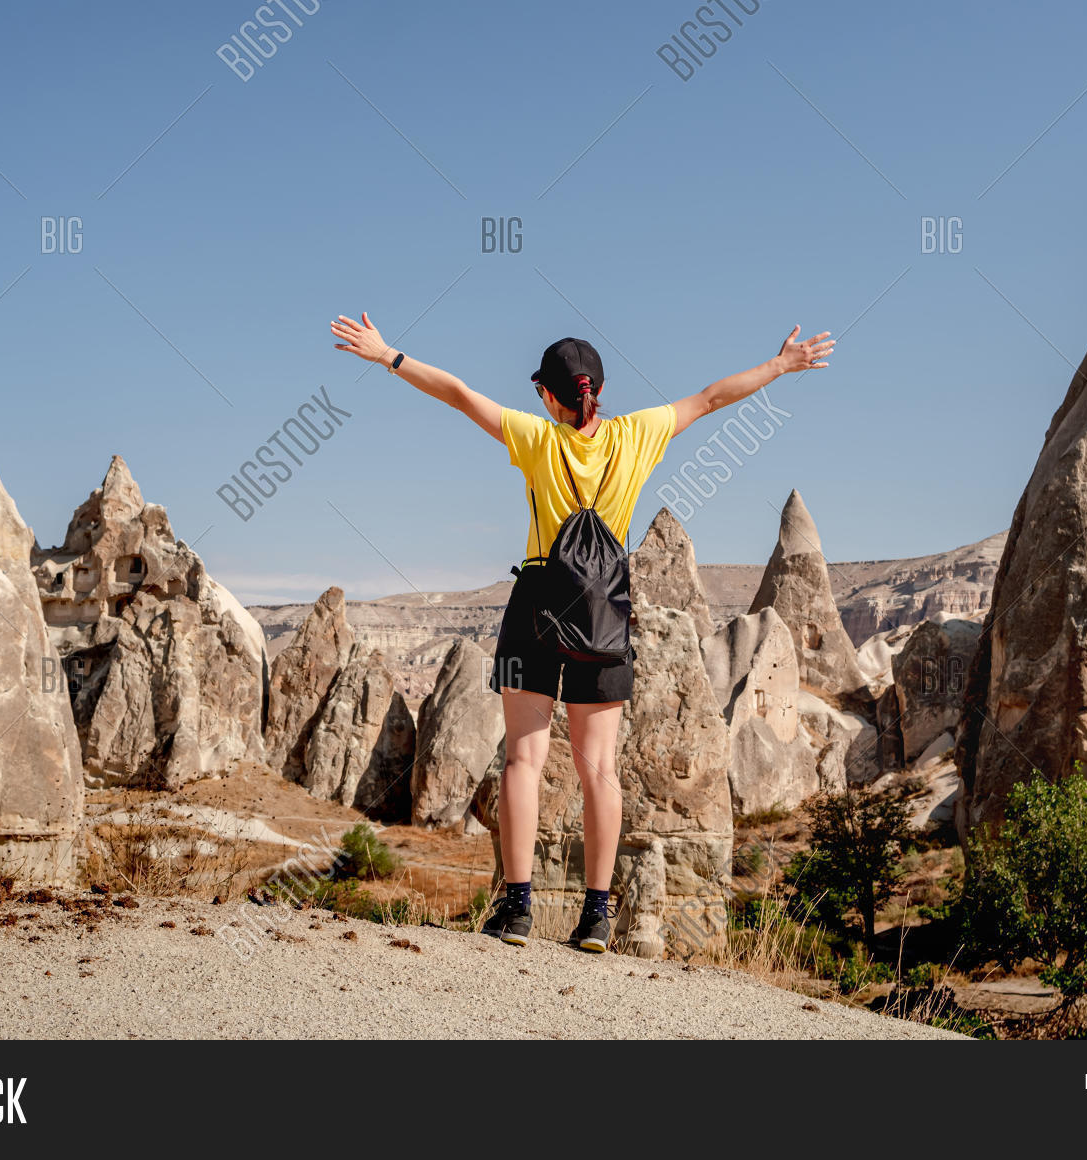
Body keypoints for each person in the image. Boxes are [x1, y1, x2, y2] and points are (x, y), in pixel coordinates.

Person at [330, 313, 833, 952]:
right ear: (598, 389)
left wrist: (388, 355)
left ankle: (516, 909)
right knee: (600, 768)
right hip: (605, 614)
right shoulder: (637, 435)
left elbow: (456, 393)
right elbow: (711, 398)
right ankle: (596, 917)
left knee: (523, 758)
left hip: (534, 608)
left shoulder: (535, 439)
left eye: (540, 390)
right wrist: (780, 365)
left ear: (549, 395)